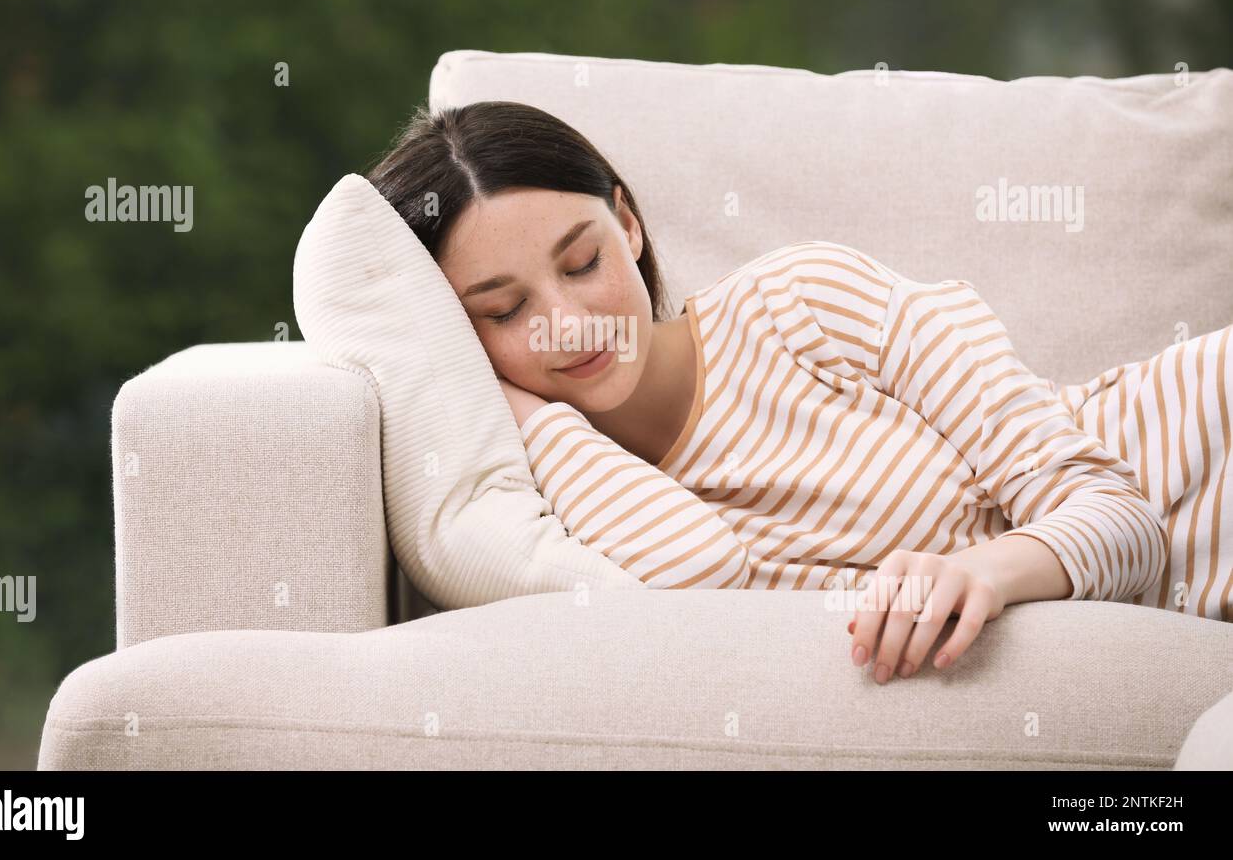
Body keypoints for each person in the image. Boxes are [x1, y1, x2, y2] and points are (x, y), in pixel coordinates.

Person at [366, 99, 1233, 685]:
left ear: (628, 225)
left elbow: (1121, 517)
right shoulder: (555, 507)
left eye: (583, 262)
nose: (569, 323)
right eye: (505, 310)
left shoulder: (805, 302)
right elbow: (695, 572)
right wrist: (527, 414)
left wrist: (980, 571)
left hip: (1201, 440)